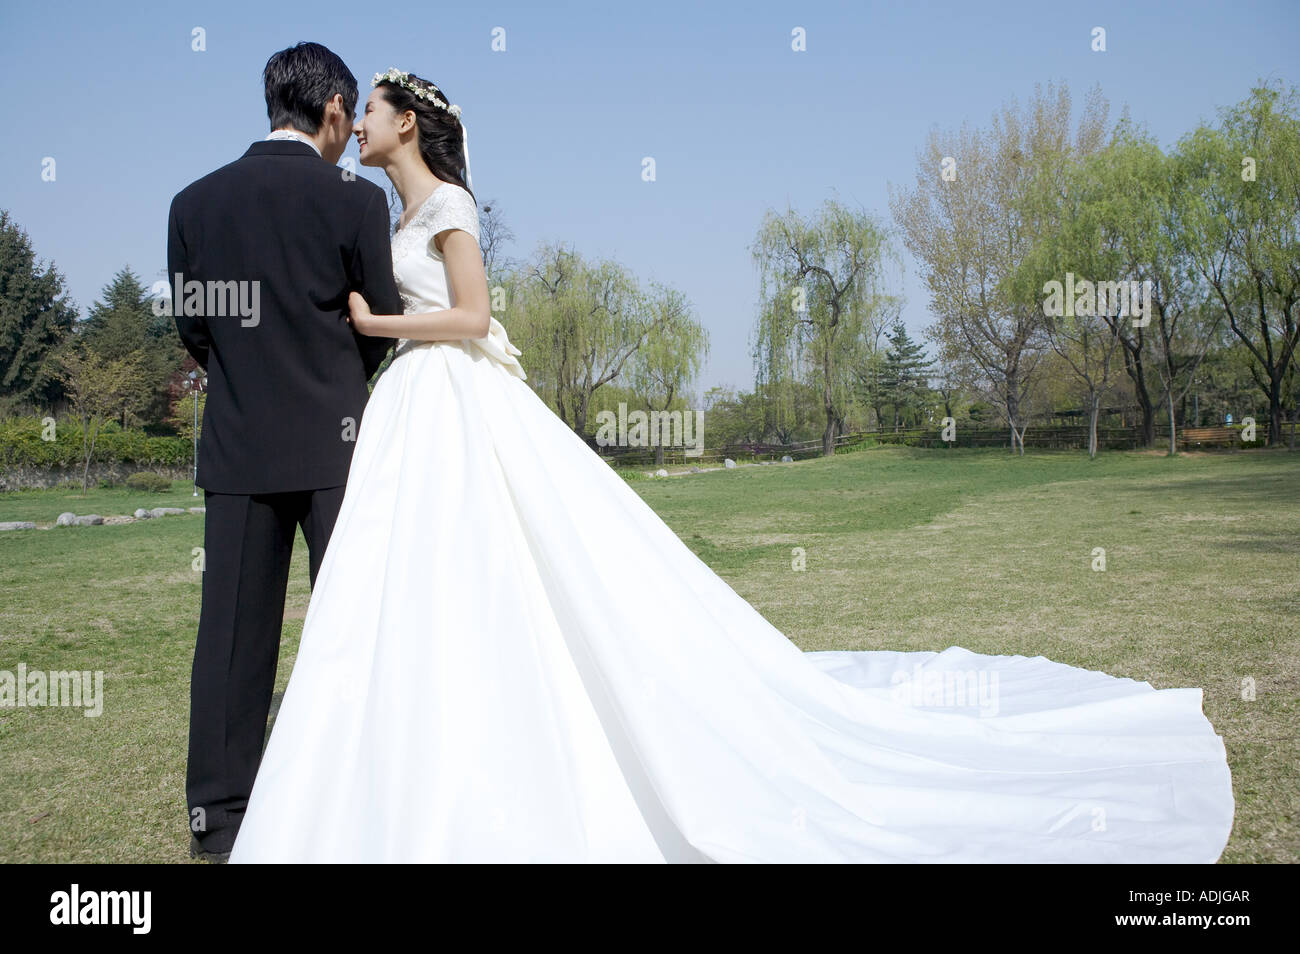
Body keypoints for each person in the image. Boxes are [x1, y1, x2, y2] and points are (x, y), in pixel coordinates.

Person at [228, 68, 1234, 863]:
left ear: (410, 121)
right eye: (356, 113)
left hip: (451, 386)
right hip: (412, 407)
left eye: (375, 111)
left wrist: (381, 321)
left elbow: (478, 317)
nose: (357, 123)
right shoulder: (379, 213)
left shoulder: (448, 203)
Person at [168, 42, 401, 862]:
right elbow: (379, 319)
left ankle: (221, 823)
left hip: (236, 450)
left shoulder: (193, 204)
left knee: (230, 638)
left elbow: (195, 331)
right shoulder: (356, 203)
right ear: (335, 108)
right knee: (356, 630)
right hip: (340, 450)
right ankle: (362, 794)